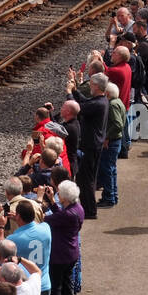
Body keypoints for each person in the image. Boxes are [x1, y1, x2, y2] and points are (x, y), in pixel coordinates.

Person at [66, 69, 105, 219]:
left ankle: (90, 210)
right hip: (93, 144)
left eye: (92, 84)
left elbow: (78, 108)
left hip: (91, 145)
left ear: (96, 86)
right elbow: (84, 101)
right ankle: (89, 207)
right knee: (86, 178)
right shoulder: (100, 101)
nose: (90, 86)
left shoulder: (98, 104)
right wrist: (75, 89)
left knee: (86, 179)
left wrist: (69, 93)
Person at [36, 180, 83, 295]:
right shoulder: (78, 208)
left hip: (60, 255)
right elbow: (60, 215)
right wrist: (52, 200)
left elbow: (43, 219)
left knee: (56, 286)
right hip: (72, 252)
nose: (57, 194)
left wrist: (39, 199)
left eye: (59, 193)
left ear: (65, 198)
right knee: (67, 284)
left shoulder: (67, 215)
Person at [3, 199, 52, 295]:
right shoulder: (46, 228)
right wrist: (18, 218)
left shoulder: (13, 239)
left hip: (27, 288)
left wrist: (1, 225)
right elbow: (38, 224)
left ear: (18, 216)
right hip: (45, 284)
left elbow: (0, 248)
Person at [98, 82, 126, 208]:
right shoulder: (118, 102)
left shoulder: (112, 105)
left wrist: (107, 137)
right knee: (111, 169)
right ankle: (112, 195)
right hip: (117, 141)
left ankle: (109, 197)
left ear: (107, 93)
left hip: (112, 142)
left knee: (107, 169)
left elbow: (117, 124)